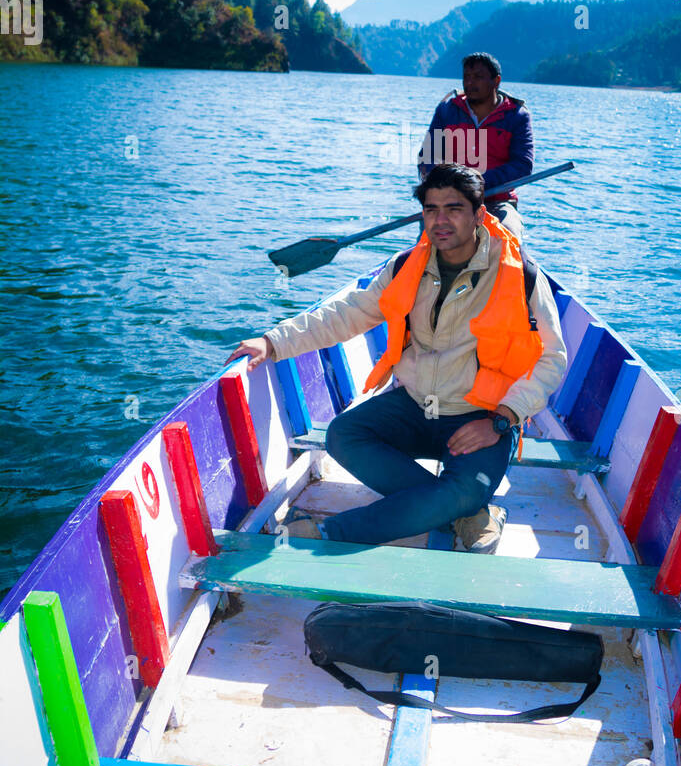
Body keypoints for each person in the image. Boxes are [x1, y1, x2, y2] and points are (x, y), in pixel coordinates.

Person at [226, 164, 567, 554]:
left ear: (479, 215)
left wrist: (503, 419)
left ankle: (333, 533)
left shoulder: (520, 274)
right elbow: (347, 313)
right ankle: (466, 511)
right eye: (431, 209)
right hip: (417, 406)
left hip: (483, 417)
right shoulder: (407, 266)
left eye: (453, 209)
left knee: (463, 489)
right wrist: (273, 341)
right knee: (343, 435)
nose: (440, 220)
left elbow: (553, 358)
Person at [418, 52, 532, 240]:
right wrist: (446, 186)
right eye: (466, 77)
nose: (470, 83)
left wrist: (476, 183)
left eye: (478, 77)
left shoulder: (516, 116)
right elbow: (428, 156)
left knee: (510, 240)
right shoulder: (447, 111)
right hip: (448, 201)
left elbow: (523, 165)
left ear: (496, 81)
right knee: (427, 245)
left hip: (497, 201)